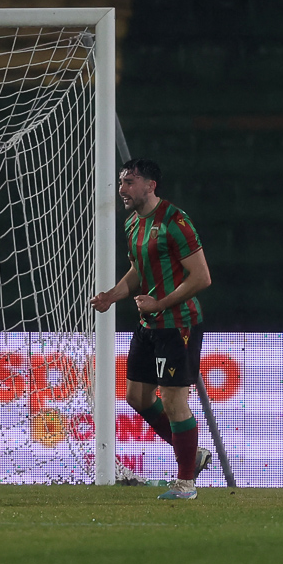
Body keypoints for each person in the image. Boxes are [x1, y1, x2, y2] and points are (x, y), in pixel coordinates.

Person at [90, 158, 212, 500]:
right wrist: (111, 296)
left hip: (178, 325)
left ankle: (186, 483)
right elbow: (138, 271)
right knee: (137, 397)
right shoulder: (132, 224)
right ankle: (194, 455)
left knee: (174, 403)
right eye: (121, 182)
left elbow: (202, 277)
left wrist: (160, 303)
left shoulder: (176, 221)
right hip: (149, 325)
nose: (122, 189)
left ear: (150, 185)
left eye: (130, 182)